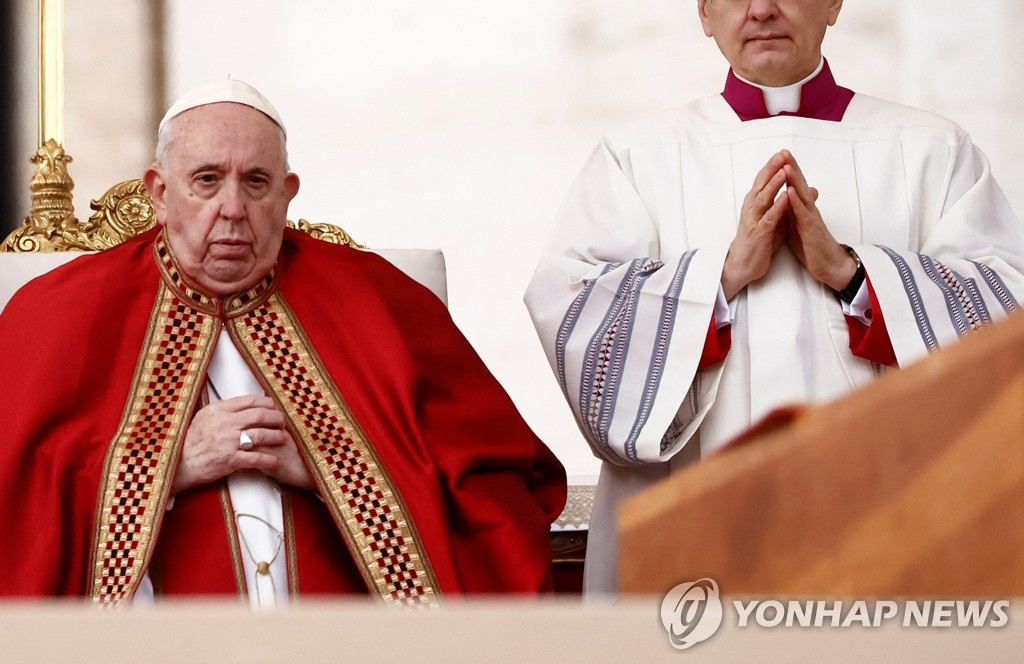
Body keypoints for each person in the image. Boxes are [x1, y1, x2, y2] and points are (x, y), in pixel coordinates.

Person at [0, 79, 566, 606]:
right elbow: (19, 495)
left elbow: (500, 487)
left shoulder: (382, 302)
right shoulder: (57, 314)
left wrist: (334, 465)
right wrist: (163, 466)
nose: (232, 209)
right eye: (206, 180)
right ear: (160, 192)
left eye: (256, 182)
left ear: (287, 194)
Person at [525, 0, 1024, 594]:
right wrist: (721, 277)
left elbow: (1004, 326)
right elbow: (576, 311)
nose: (762, 9)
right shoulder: (635, 156)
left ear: (833, 4)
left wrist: (853, 275)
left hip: (890, 508)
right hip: (691, 523)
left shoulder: (932, 149)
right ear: (705, 14)